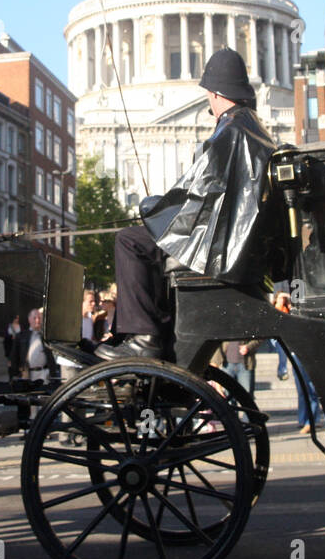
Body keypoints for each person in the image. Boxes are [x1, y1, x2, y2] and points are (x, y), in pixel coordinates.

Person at [96, 48, 282, 361]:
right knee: (150, 243)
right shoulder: (255, 130)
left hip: (221, 249)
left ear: (214, 93)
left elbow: (200, 196)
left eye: (209, 94)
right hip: (239, 248)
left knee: (130, 241)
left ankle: (145, 338)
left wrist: (154, 207)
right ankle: (156, 330)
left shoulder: (230, 132)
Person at [9, 308, 57, 382]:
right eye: (34, 318)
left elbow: (52, 357)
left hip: (44, 375)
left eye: (39, 318)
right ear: (29, 319)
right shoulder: (21, 336)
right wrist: (15, 375)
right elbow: (14, 357)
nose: (37, 320)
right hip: (28, 375)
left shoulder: (46, 337)